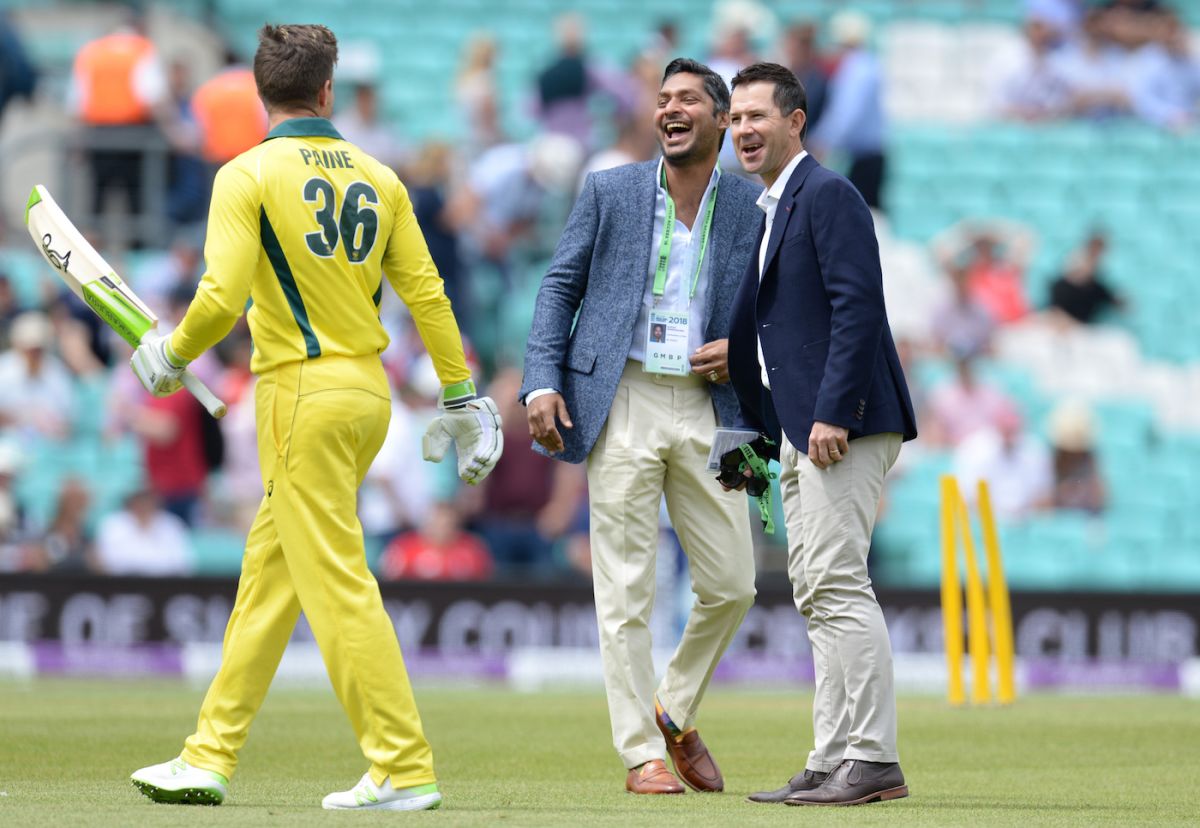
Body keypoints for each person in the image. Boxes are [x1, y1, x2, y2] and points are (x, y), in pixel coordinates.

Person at [125, 24, 501, 812]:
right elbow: (429, 295)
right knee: (272, 578)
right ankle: (209, 755)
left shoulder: (246, 173)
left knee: (335, 582)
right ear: (328, 90)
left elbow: (222, 297)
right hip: (369, 395)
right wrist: (461, 393)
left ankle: (402, 762)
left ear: (260, 94)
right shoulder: (380, 175)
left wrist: (173, 354)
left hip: (298, 394)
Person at [521, 58, 761, 795]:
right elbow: (560, 283)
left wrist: (746, 354)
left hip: (719, 406)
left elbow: (776, 309)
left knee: (737, 583)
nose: (671, 109)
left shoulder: (756, 205)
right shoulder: (610, 189)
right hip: (618, 396)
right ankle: (641, 754)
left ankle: (673, 705)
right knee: (625, 587)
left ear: (722, 119)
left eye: (689, 99)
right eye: (663, 100)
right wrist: (540, 380)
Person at [725, 62, 917, 807]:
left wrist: (834, 411)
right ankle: (832, 753)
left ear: (796, 121)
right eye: (736, 117)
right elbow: (775, 324)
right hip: (801, 426)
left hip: (843, 423)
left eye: (757, 116)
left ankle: (871, 757)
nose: (743, 129)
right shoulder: (774, 206)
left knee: (835, 584)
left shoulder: (827, 193)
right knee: (815, 589)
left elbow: (858, 306)